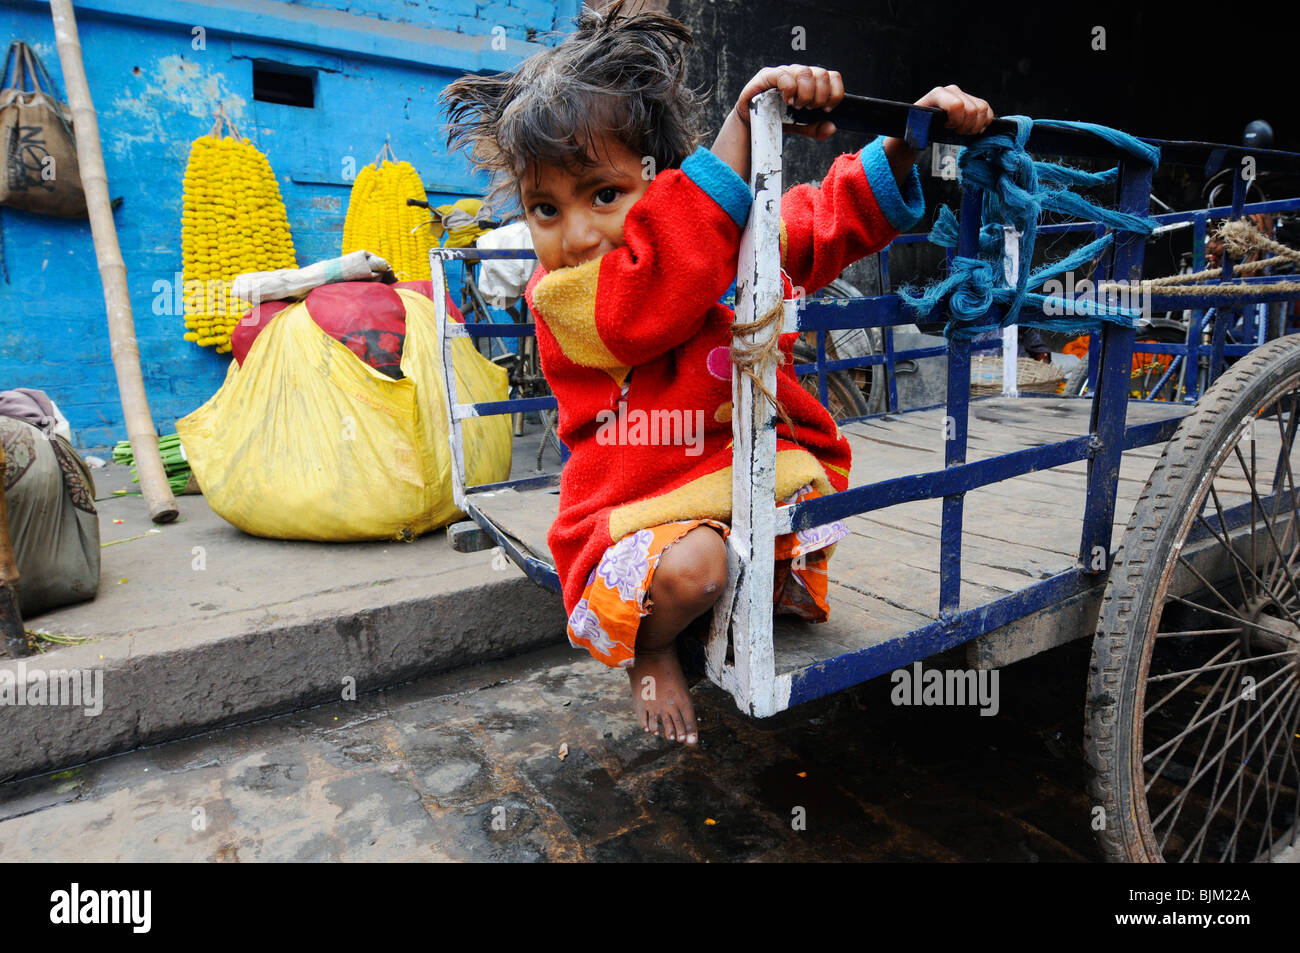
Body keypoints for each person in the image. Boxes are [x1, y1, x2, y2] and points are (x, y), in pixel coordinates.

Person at [442, 1, 992, 746]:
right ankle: (653, 645)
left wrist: (910, 140)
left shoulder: (727, 232)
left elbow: (827, 216)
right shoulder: (567, 301)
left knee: (768, 537)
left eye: (605, 195)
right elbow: (649, 300)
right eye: (544, 208)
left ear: (665, 181)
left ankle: (724, 597)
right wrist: (741, 130)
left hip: (743, 478)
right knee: (697, 572)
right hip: (629, 505)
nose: (574, 235)